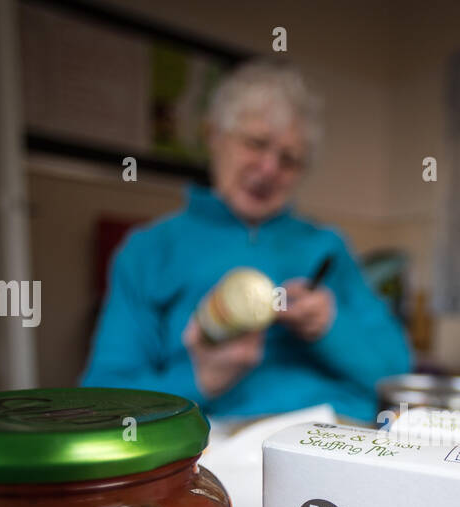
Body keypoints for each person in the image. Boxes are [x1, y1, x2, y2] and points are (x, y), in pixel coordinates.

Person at [82, 60, 410, 421]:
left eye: (289, 159)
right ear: (214, 137)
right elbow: (103, 404)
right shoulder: (148, 251)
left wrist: (330, 326)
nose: (269, 168)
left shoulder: (327, 247)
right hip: (211, 440)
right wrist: (201, 379)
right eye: (255, 143)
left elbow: (398, 376)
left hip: (333, 432)